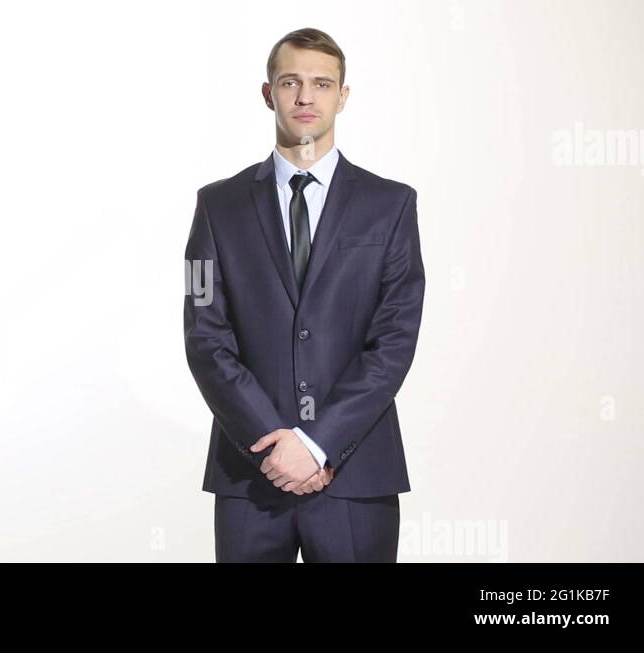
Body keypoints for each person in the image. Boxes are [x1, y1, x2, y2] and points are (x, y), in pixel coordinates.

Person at [183, 27, 425, 562]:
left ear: (343, 96)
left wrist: (317, 443)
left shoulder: (391, 207)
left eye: (321, 83)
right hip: (251, 474)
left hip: (357, 471)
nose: (305, 97)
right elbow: (205, 337)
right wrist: (273, 441)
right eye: (290, 82)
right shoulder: (216, 207)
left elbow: (393, 343)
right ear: (268, 93)